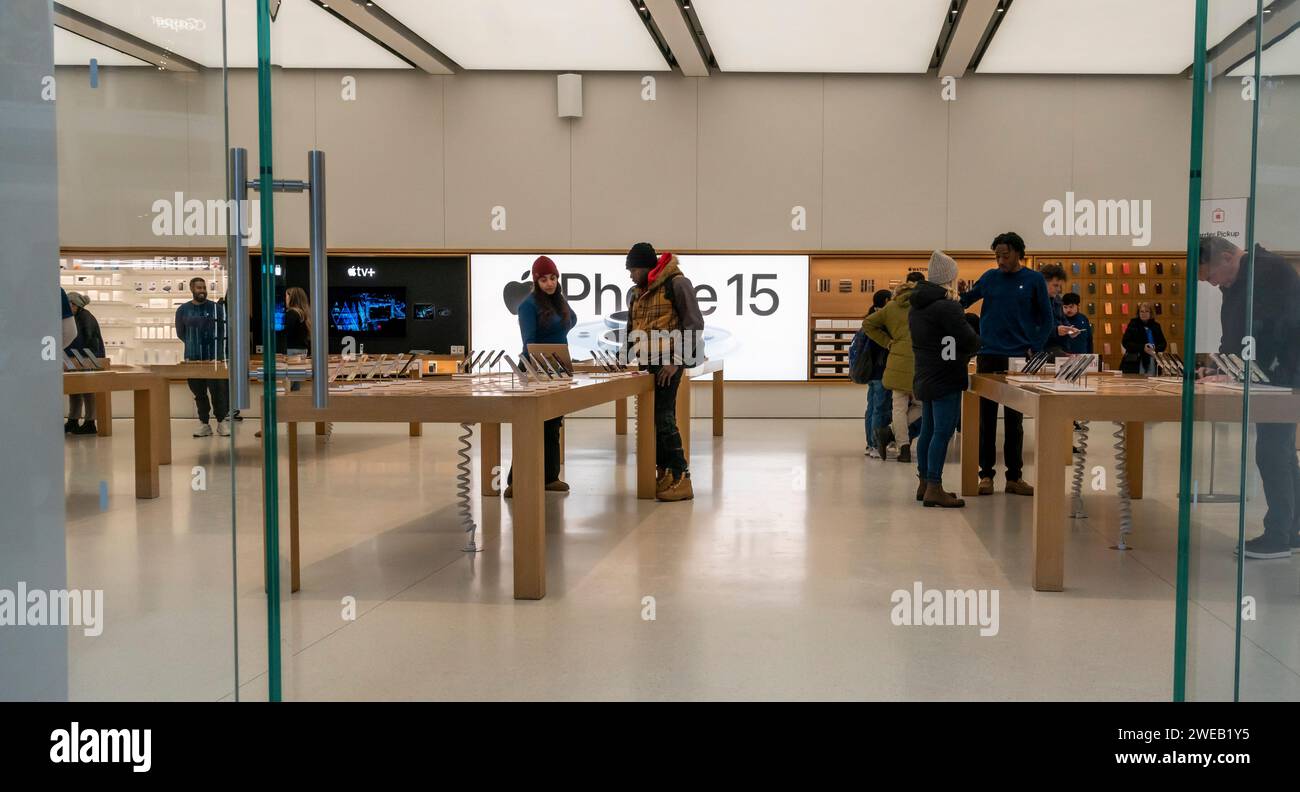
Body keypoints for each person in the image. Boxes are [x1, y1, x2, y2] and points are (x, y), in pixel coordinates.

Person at [1198, 236, 1300, 558]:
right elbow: (1236, 333)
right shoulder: (1241, 279)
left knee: (1272, 452)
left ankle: (1279, 536)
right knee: (1280, 452)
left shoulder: (1270, 272)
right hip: (1269, 378)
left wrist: (1244, 368)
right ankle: (1292, 530)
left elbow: (1273, 330)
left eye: (1211, 275)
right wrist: (1222, 364)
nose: (1213, 284)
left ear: (1227, 257)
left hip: (1282, 378)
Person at [959, 231, 1052, 496]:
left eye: (1005, 254)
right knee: (986, 420)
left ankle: (1015, 477)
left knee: (1015, 420)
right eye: (997, 255)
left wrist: (1036, 345)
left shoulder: (1033, 280)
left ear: (1018, 253)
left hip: (1019, 358)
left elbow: (1046, 319)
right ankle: (985, 475)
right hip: (989, 354)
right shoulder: (989, 278)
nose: (1000, 259)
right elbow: (966, 301)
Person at [624, 243, 706, 502]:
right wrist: (627, 359)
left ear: (646, 267)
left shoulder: (678, 284)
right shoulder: (636, 292)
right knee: (652, 420)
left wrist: (677, 361)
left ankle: (682, 477)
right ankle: (666, 472)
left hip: (668, 364)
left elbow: (695, 323)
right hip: (646, 364)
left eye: (633, 269)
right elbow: (631, 327)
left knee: (664, 417)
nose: (630, 275)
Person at [909, 251, 982, 508]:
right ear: (950, 278)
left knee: (928, 430)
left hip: (925, 375)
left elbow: (940, 341)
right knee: (943, 431)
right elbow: (968, 339)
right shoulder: (948, 306)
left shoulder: (917, 306)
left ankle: (925, 483)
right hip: (946, 376)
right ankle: (935, 487)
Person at [504, 256, 578, 498]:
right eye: (544, 279)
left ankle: (550, 477)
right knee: (531, 426)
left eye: (553, 278)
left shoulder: (560, 303)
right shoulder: (528, 305)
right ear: (536, 281)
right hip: (536, 371)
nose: (549, 283)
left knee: (553, 424)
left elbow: (571, 321)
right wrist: (537, 370)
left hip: (558, 372)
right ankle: (516, 481)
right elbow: (529, 342)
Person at [864, 272, 924, 462]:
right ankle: (890, 434)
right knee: (922, 405)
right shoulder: (923, 307)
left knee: (898, 407)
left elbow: (868, 323)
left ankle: (903, 449)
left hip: (896, 362)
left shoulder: (891, 307)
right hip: (918, 362)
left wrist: (888, 342)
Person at [176, 277, 229, 437]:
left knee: (218, 390)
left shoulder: (216, 308)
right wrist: (194, 345)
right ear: (192, 289)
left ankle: (222, 422)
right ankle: (204, 423)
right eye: (199, 287)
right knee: (198, 392)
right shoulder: (183, 310)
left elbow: (222, 332)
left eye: (204, 287)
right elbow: (181, 333)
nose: (202, 290)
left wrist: (218, 355)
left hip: (214, 358)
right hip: (192, 358)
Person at [65, 292, 105, 435]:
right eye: (68, 303)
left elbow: (91, 341)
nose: (69, 306)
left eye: (72, 303)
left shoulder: (86, 317)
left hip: (87, 359)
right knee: (74, 389)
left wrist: (87, 359)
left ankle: (90, 422)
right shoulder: (72, 318)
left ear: (78, 305)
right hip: (74, 359)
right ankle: (73, 420)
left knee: (88, 390)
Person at [863, 289, 893, 458]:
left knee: (871, 408)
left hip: (871, 372)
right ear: (887, 300)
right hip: (881, 372)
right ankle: (875, 444)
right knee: (879, 409)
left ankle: (869, 444)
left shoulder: (869, 319)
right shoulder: (882, 322)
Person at [1120, 303, 1166, 375]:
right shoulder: (1133, 324)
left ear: (1151, 313)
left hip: (1152, 358)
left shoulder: (1156, 326)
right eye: (1141, 311)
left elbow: (1163, 344)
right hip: (1135, 361)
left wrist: (1154, 349)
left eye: (1146, 311)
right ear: (1138, 313)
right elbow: (1125, 342)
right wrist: (1142, 347)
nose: (1144, 313)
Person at [1040, 262, 1069, 356]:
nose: (1059, 289)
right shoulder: (1033, 301)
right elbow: (1033, 329)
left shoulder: (1057, 300)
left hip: (1057, 347)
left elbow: (1063, 320)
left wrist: (1069, 329)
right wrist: (1056, 331)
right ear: (1043, 283)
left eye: (1060, 286)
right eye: (1055, 285)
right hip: (1041, 350)